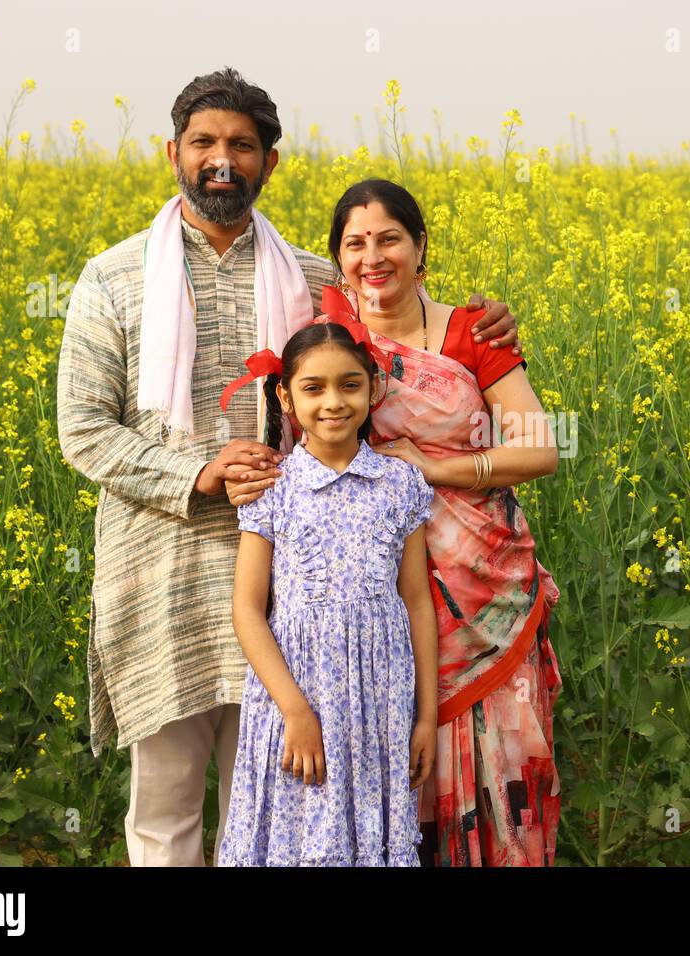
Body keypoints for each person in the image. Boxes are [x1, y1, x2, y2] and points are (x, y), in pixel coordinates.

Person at [56, 68, 521, 867]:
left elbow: (396, 319)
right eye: (203, 143)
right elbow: (82, 430)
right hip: (160, 568)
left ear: (270, 162)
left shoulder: (315, 280)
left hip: (299, 585)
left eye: (241, 145)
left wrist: (484, 322)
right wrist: (201, 473)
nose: (221, 160)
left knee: (276, 803)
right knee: (165, 804)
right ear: (173, 153)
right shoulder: (114, 277)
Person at [227, 179, 563, 866]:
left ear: (420, 250)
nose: (373, 257)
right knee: (386, 777)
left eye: (390, 239)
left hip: (482, 594)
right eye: (355, 244)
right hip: (364, 616)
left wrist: (431, 468)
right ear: (337, 261)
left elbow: (538, 447)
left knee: (498, 766)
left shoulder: (471, 332)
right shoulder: (326, 345)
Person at [217, 319, 436, 866]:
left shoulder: (402, 483)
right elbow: (247, 610)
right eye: (313, 388)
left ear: (373, 389)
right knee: (296, 837)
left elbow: (416, 601)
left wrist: (426, 716)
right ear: (286, 398)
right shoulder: (272, 488)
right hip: (297, 697)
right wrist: (296, 712)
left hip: (380, 702)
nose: (333, 402)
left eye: (350, 385)